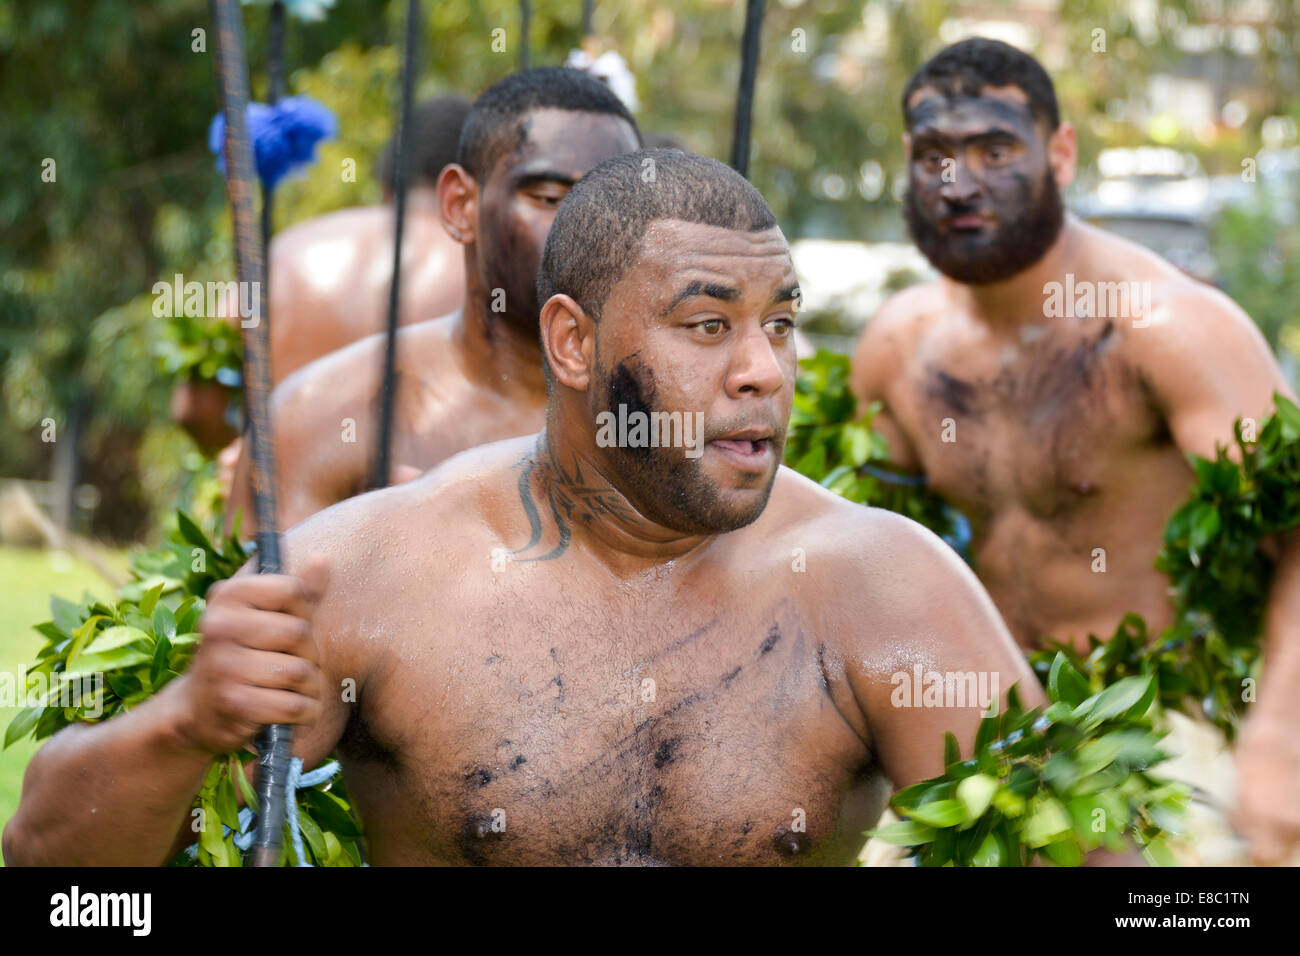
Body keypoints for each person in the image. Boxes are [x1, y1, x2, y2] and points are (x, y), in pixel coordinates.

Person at [4, 150, 1084, 867]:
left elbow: (1094, 864)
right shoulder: (376, 573)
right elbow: (58, 873)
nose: (766, 370)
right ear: (573, 341)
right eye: (707, 325)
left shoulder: (881, 586)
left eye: (783, 323)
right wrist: (185, 722)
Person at [849, 37, 1300, 864]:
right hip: (978, 737)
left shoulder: (1166, 328)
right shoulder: (898, 348)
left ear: (1060, 155)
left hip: (1163, 731)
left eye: (994, 149)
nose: (961, 183)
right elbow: (848, 559)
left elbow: (1297, 526)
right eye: (935, 155)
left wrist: (1283, 737)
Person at [225, 67, 643, 533]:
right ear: (460, 205)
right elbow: (263, 598)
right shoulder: (316, 417)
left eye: (615, 204)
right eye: (547, 197)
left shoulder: (674, 421)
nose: (585, 229)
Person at [173, 95, 472, 456]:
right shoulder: (479, 265)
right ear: (466, 192)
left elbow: (195, 408)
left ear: (386, 185)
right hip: (429, 506)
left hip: (287, 507)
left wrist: (250, 464)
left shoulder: (282, 254)